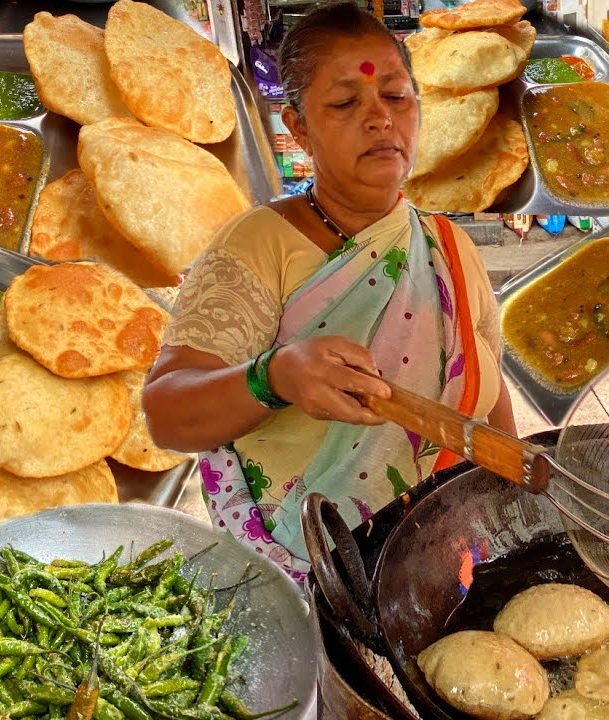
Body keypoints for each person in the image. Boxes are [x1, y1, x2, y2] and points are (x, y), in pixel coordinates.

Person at [143, 1, 515, 581]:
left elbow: (487, 392)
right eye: (345, 102)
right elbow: (166, 412)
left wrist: (511, 510)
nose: (380, 119)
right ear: (298, 129)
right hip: (312, 575)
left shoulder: (449, 245)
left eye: (395, 96)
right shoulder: (259, 244)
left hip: (447, 561)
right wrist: (274, 377)